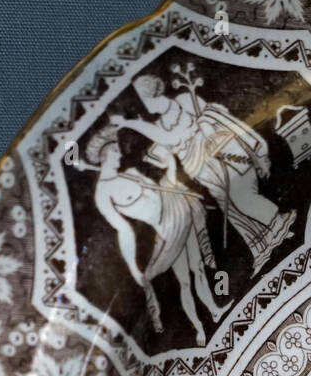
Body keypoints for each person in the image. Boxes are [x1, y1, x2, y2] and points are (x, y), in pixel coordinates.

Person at [110, 71, 294, 275]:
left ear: (148, 94)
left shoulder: (182, 101)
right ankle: (263, 247)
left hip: (221, 157)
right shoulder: (159, 124)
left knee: (242, 198)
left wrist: (130, 123)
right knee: (230, 210)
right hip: (200, 171)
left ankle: (278, 223)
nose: (140, 104)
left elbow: (187, 130)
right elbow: (166, 148)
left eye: (139, 98)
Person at [82, 123, 226, 345]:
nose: (120, 154)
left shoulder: (131, 174)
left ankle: (215, 310)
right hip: (165, 231)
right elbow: (124, 229)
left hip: (177, 212)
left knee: (198, 268)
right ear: (104, 155)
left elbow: (161, 192)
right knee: (184, 282)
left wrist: (172, 175)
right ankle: (199, 328)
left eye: (119, 149)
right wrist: (132, 267)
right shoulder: (103, 193)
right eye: (115, 151)